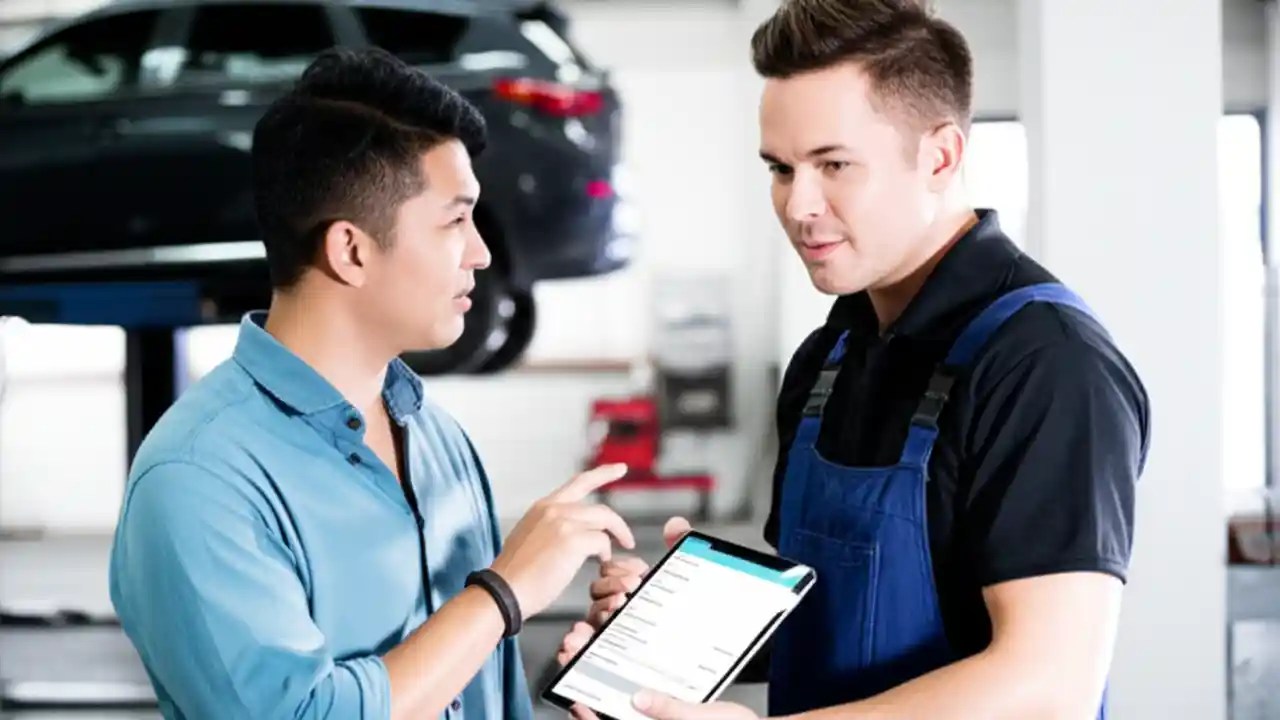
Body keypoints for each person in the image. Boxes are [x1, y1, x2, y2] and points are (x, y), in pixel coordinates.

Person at [558, 1, 1150, 718]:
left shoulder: (1046, 365)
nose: (798, 204)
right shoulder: (828, 360)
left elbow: (1050, 685)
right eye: (780, 168)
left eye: (834, 164)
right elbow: (831, 623)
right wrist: (671, 635)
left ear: (941, 156)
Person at [108, 47, 637, 720]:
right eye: (455, 220)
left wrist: (608, 673)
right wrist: (504, 595)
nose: (480, 253)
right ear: (352, 250)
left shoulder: (436, 437)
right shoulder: (199, 481)